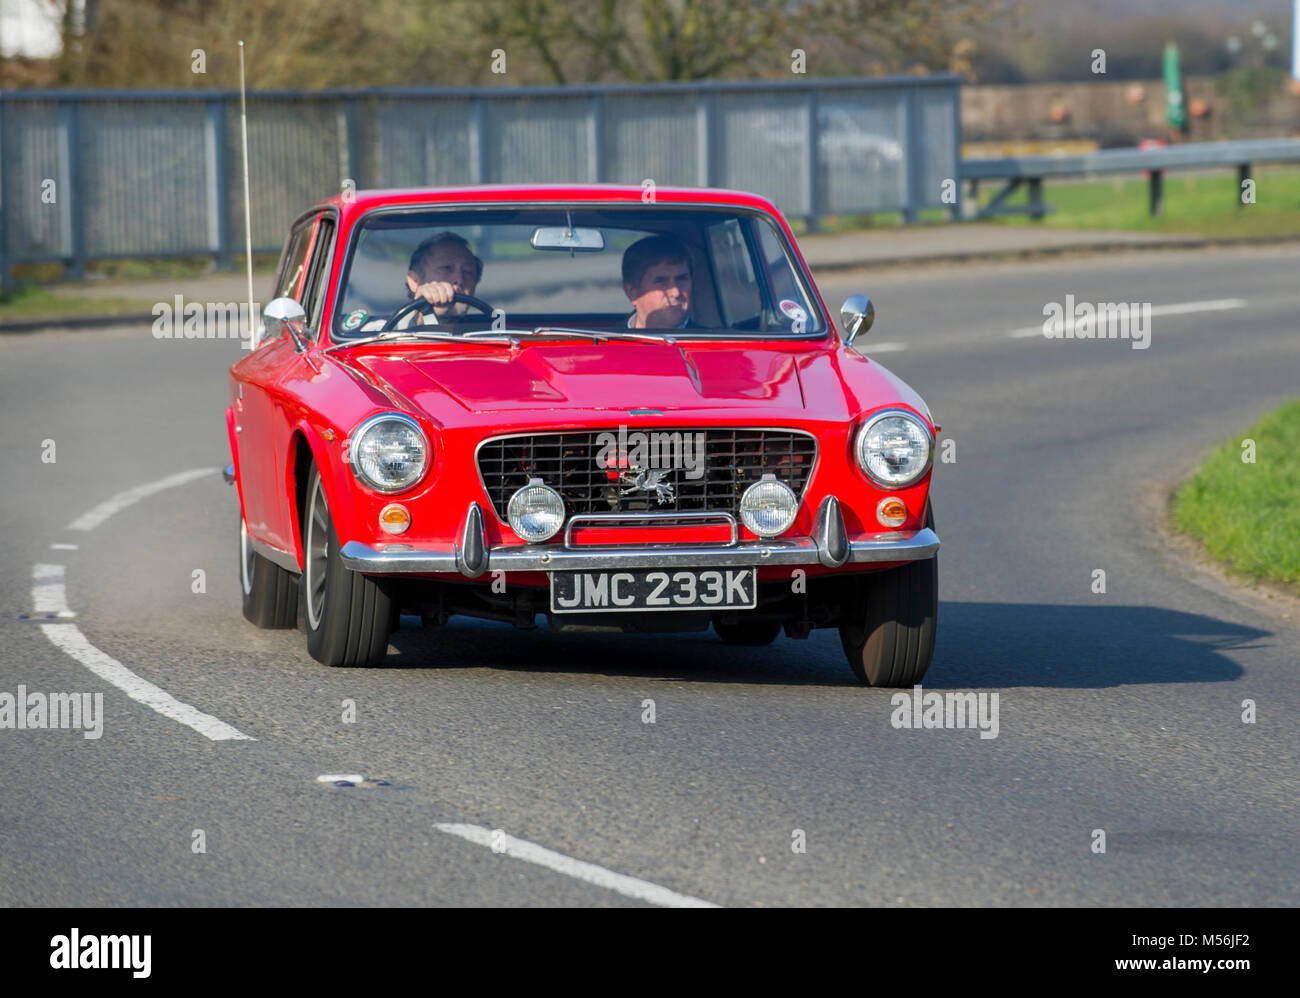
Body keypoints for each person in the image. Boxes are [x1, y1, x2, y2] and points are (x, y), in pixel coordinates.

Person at [621, 234, 704, 330]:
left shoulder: (713, 342)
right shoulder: (607, 341)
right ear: (632, 292)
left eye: (681, 279)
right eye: (661, 281)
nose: (676, 292)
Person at [404, 231, 484, 323]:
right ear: (415, 281)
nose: (459, 279)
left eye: (467, 272)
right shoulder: (387, 331)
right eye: (446, 268)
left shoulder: (492, 331)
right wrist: (424, 313)